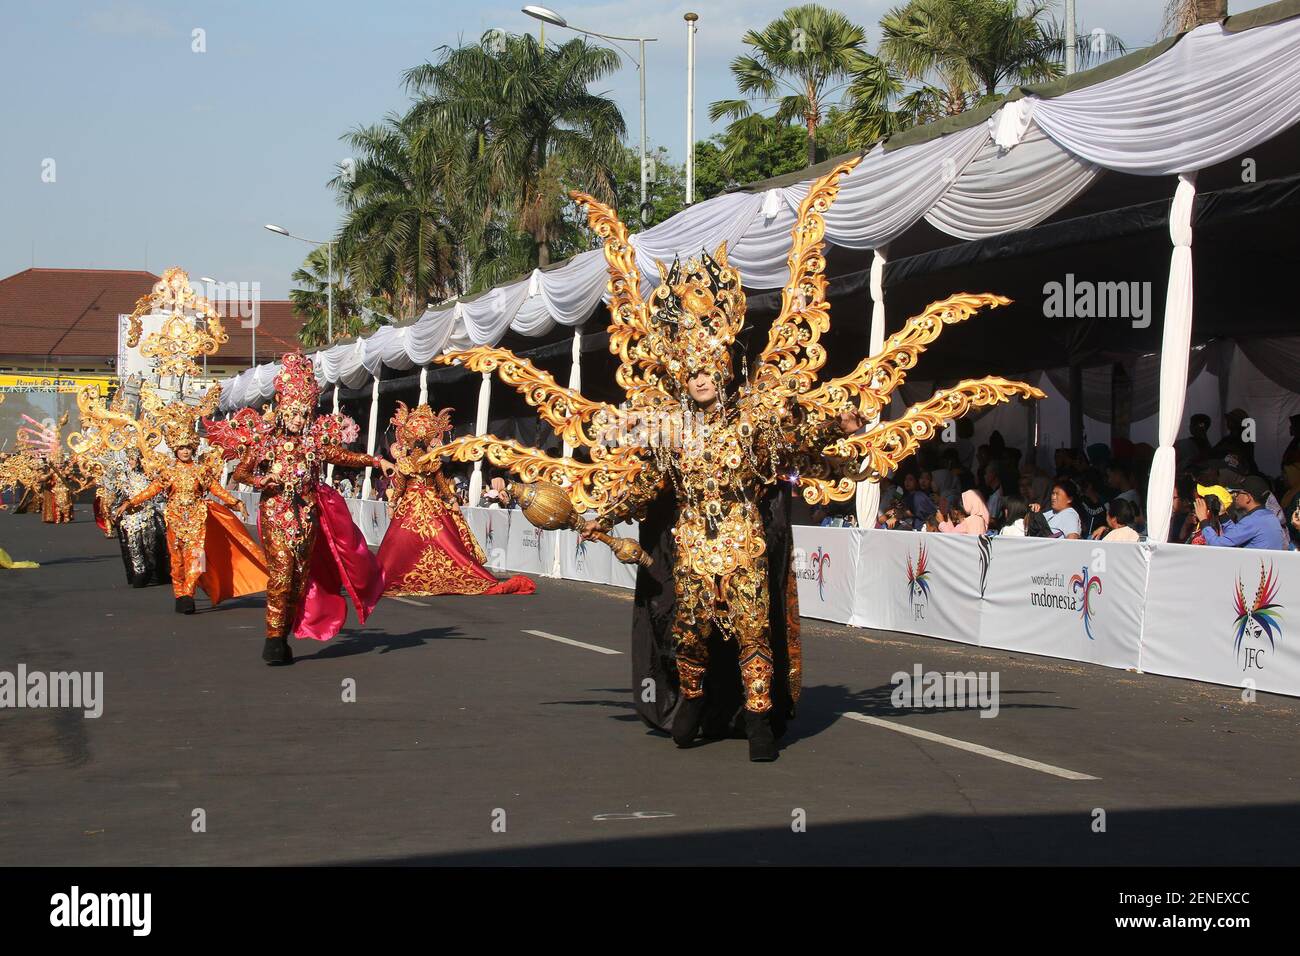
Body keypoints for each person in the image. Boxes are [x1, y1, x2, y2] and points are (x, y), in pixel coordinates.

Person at [431, 163, 1040, 761]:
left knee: (753, 634)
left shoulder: (755, 420)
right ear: (678, 369)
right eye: (688, 367)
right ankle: (692, 702)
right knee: (690, 633)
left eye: (707, 365)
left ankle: (757, 724)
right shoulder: (666, 429)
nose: (698, 375)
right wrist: (594, 511)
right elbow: (644, 482)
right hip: (693, 541)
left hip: (745, 539)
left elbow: (799, 430)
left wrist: (841, 420)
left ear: (723, 364)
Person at [211, 352, 398, 665]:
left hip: (306, 517)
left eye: (304, 413)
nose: (299, 418)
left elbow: (342, 456)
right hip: (274, 512)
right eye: (294, 412)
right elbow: (240, 474)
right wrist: (262, 479)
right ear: (283, 409)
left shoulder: (312, 444)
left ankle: (282, 634)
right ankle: (272, 639)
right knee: (281, 572)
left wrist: (378, 461)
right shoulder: (265, 442)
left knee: (298, 580)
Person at [115, 400, 268, 614]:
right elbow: (151, 490)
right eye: (181, 448)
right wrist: (130, 502)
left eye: (188, 447)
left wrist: (237, 502)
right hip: (175, 521)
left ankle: (188, 594)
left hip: (197, 519)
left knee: (196, 559)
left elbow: (216, 489)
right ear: (175, 449)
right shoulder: (168, 473)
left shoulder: (200, 471)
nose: (185, 451)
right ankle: (180, 593)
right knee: (177, 562)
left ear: (193, 448)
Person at [377, 403, 534, 597]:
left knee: (407, 542)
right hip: (431, 503)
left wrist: (393, 504)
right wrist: (451, 501)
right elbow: (440, 485)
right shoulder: (430, 461)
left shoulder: (410, 462)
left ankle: (415, 574)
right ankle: (433, 574)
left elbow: (403, 486)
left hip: (413, 505)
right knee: (441, 540)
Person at [1195, 475, 1287, 550]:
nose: (1236, 496)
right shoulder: (1269, 517)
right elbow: (1236, 535)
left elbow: (1217, 545)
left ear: (1248, 497)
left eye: (1238, 493)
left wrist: (1203, 520)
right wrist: (1223, 516)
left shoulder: (1253, 521)